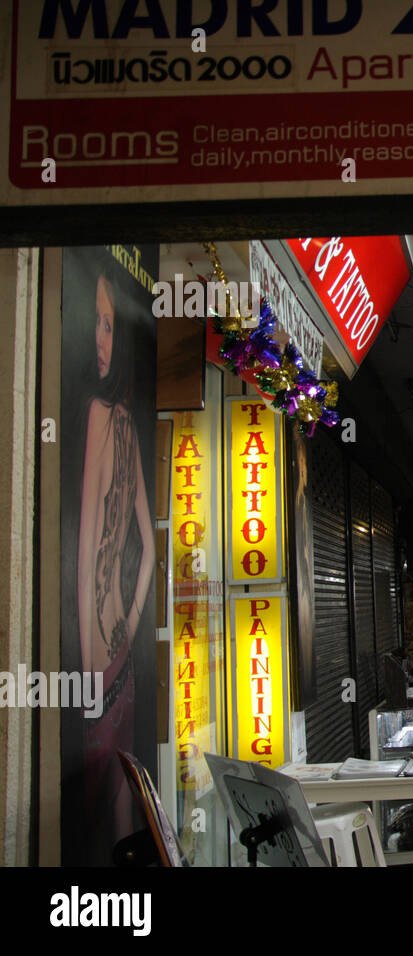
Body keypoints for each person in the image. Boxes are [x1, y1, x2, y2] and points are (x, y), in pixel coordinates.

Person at [77, 272, 155, 854]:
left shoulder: (103, 417)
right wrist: (129, 616)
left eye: (110, 324)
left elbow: (83, 561)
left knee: (96, 806)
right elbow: (149, 548)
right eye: (96, 322)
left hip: (99, 659)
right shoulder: (127, 422)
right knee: (124, 804)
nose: (101, 337)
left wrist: (89, 661)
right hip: (121, 652)